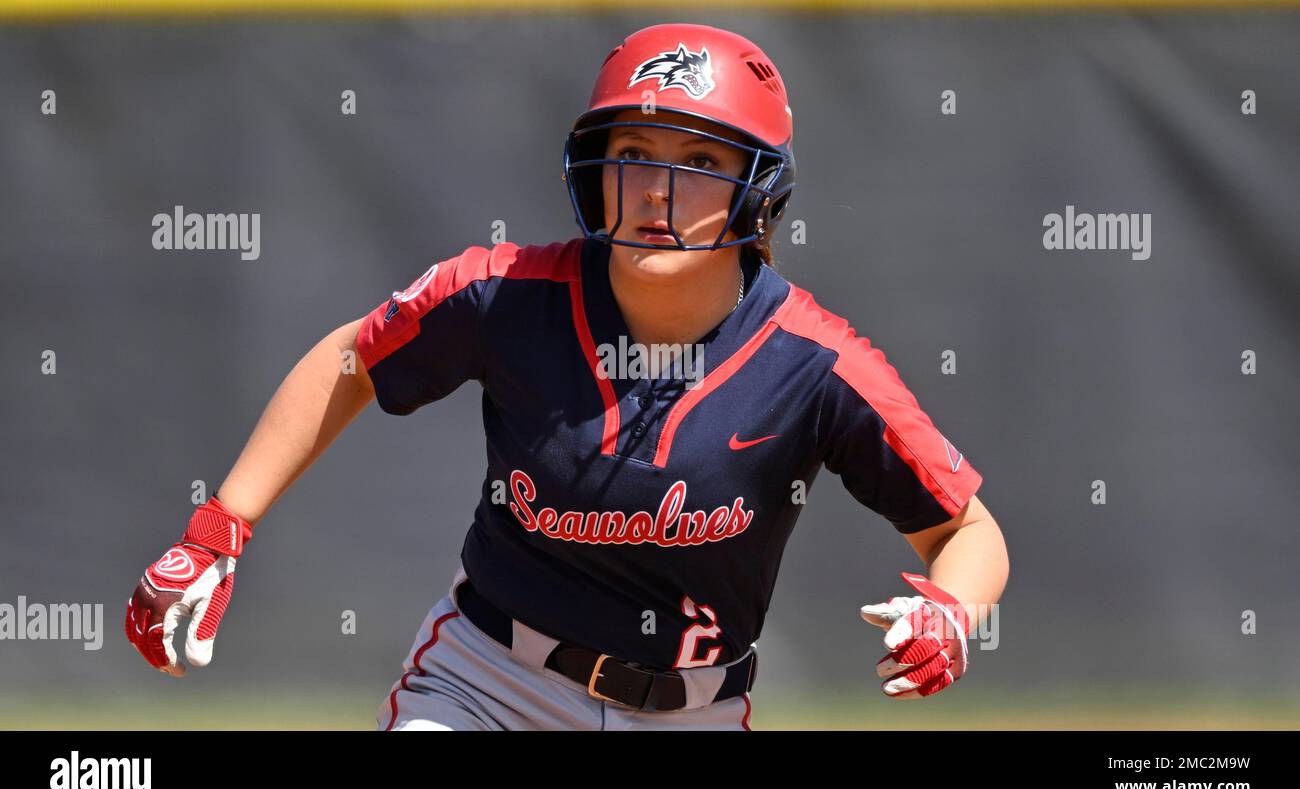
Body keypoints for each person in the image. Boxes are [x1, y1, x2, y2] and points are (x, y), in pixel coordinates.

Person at [124, 22, 1009, 731]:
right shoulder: (504, 293)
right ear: (595, 173)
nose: (660, 189)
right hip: (487, 685)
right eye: (636, 151)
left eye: (701, 163)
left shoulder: (815, 364)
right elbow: (353, 358)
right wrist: (216, 529)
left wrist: (951, 611)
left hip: (694, 710)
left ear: (760, 193)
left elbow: (968, 531)